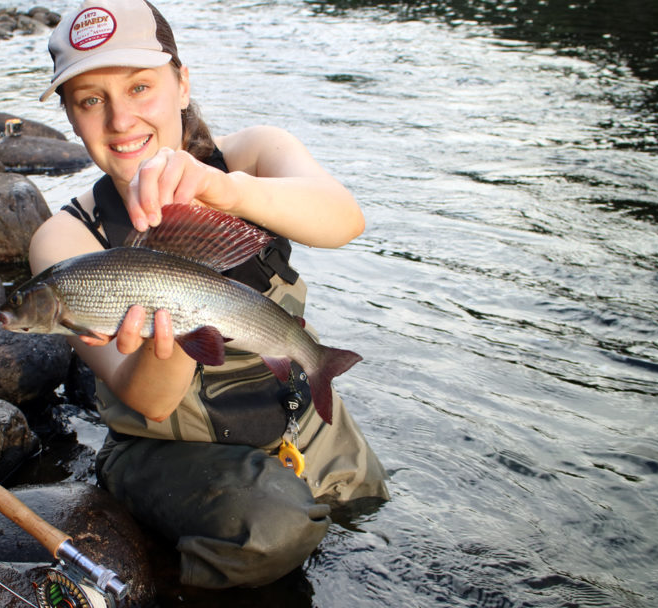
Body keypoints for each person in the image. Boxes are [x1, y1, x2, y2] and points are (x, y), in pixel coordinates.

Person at [28, 0, 390, 589]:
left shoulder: (252, 154)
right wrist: (163, 338)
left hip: (296, 415)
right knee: (273, 527)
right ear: (70, 116)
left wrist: (228, 191)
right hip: (170, 451)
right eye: (91, 100)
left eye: (141, 86)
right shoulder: (67, 240)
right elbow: (148, 402)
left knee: (367, 510)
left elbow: (345, 220)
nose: (121, 120)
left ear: (182, 83)